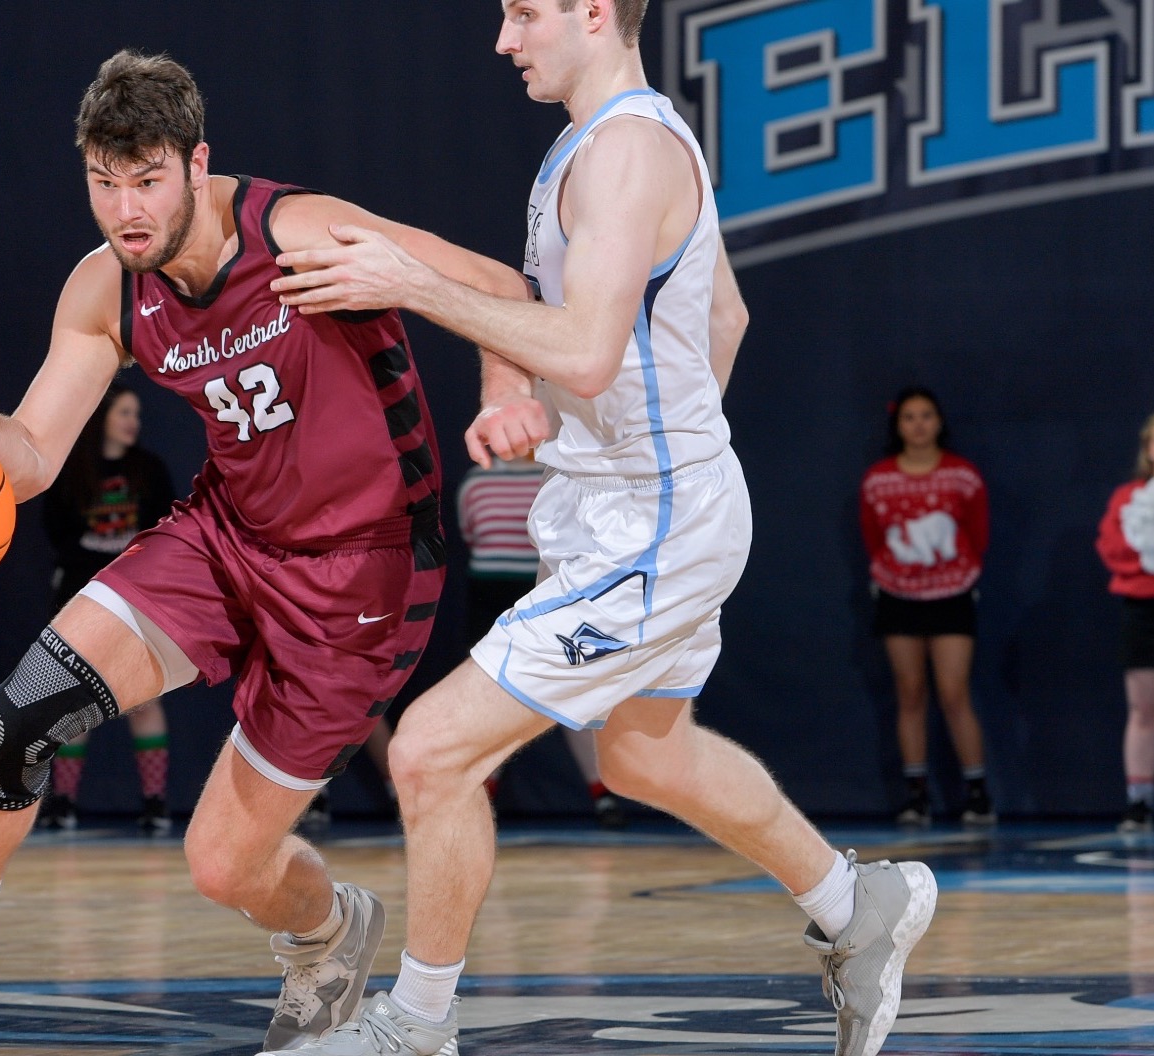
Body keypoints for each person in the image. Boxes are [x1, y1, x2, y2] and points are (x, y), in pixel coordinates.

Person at [0, 49, 530, 1049]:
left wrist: (504, 388)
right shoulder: (107, 288)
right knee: (20, 714)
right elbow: (31, 457)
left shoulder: (301, 233)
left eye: (146, 182)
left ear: (197, 163)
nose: (125, 210)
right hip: (224, 535)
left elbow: (492, 282)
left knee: (222, 868)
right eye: (104, 185)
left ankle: (327, 932)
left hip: (361, 569)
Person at [261, 2, 937, 1055]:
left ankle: (417, 1026)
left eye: (522, 11)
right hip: (638, 504)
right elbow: (721, 319)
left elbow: (581, 352)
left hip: (649, 526)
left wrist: (409, 285)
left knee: (431, 752)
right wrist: (644, 440)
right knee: (643, 757)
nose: (501, 38)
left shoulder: (622, 153)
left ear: (590, 11)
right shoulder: (599, 144)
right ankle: (859, 908)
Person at [37, 381, 176, 834]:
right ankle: (63, 803)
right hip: (81, 598)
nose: (133, 423)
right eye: (125, 414)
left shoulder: (150, 470)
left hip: (136, 597)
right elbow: (57, 533)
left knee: (145, 700)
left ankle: (155, 804)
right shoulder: (74, 470)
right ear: (104, 419)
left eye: (137, 415)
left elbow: (164, 532)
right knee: (75, 703)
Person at [458, 454, 625, 827]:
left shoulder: (561, 480)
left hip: (543, 594)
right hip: (489, 597)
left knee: (570, 691)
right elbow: (473, 535)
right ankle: (484, 791)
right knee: (492, 695)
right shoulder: (476, 482)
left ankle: (602, 792)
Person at [859, 387, 994, 826]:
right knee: (910, 692)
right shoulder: (878, 479)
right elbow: (873, 537)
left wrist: (956, 573)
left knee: (954, 692)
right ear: (898, 426)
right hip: (899, 596)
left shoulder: (963, 476)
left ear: (939, 421)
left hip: (952, 595)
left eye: (927, 415)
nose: (918, 424)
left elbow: (977, 534)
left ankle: (977, 792)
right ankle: (916, 793)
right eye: (910, 417)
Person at [1096, 412, 1154, 834]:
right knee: (1143, 707)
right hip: (1142, 608)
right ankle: (1139, 800)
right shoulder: (1128, 498)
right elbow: (1113, 548)